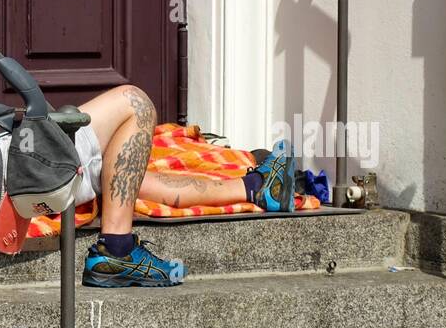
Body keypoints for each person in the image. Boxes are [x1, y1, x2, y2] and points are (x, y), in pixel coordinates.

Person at [46, 84, 295, 287]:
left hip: (33, 176)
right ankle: (116, 246)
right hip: (30, 168)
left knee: (123, 175)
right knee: (134, 101)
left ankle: (254, 188)